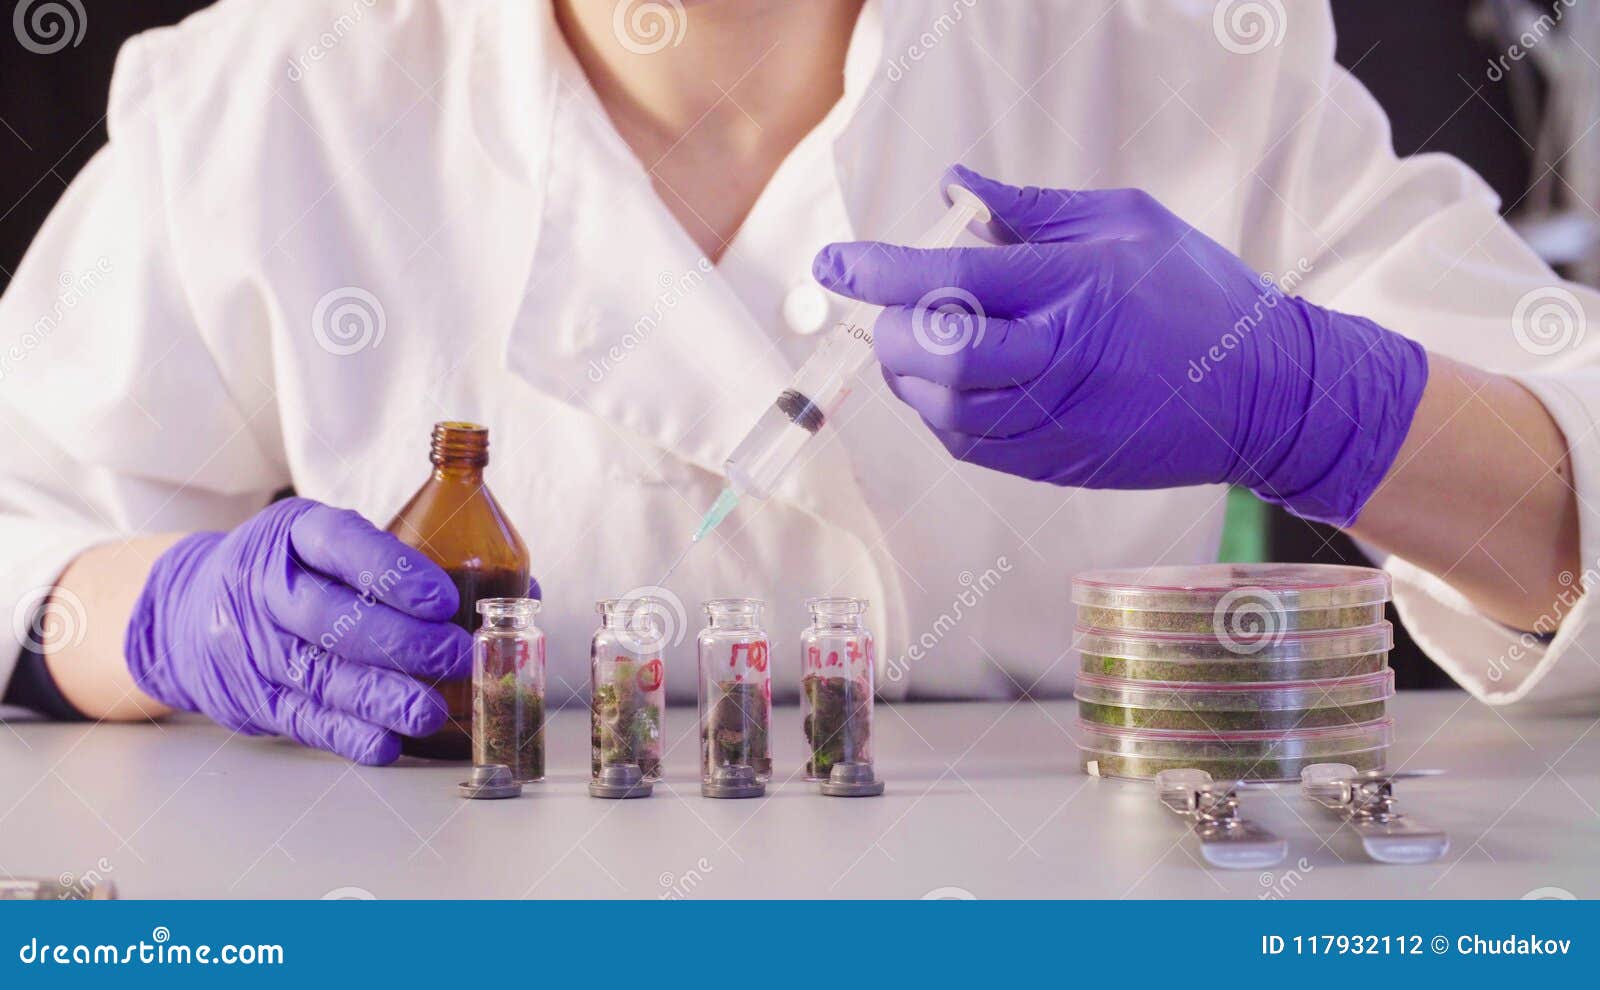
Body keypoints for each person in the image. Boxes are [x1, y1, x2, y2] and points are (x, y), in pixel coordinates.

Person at [1, 0, 1596, 765]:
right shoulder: (280, 85)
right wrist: (162, 612)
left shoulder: (1174, 49)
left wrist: (1323, 404)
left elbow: (1574, 500)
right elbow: (23, 530)